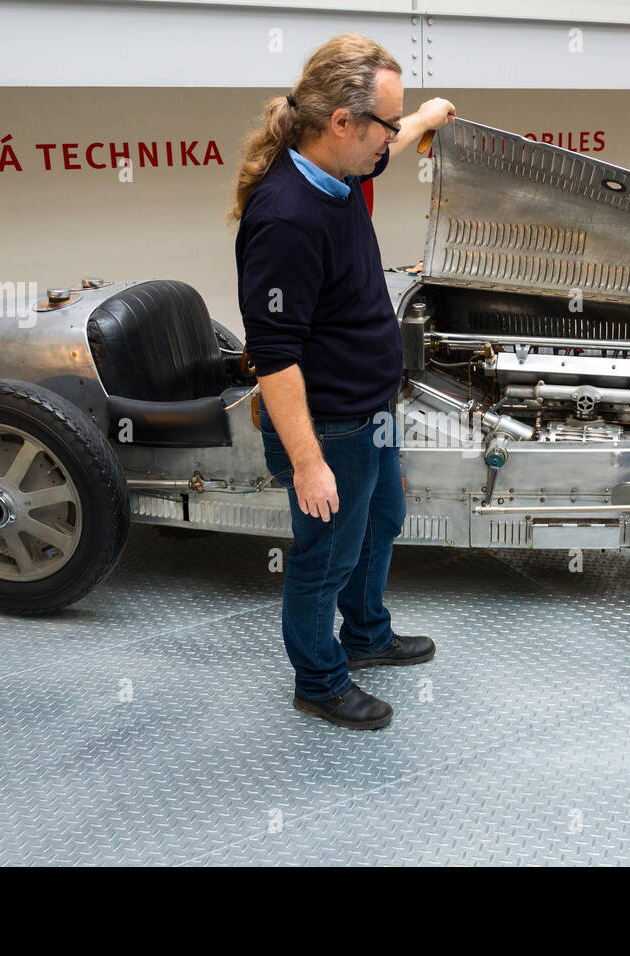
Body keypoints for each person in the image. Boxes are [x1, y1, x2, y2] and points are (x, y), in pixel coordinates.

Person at [229, 33, 456, 730]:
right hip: (328, 427)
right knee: (325, 556)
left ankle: (366, 635)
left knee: (381, 522)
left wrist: (432, 116)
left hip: (371, 411)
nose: (392, 139)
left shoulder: (343, 172)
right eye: (386, 124)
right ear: (341, 123)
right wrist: (308, 464)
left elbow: (402, 133)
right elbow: (275, 358)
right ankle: (319, 680)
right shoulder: (286, 219)